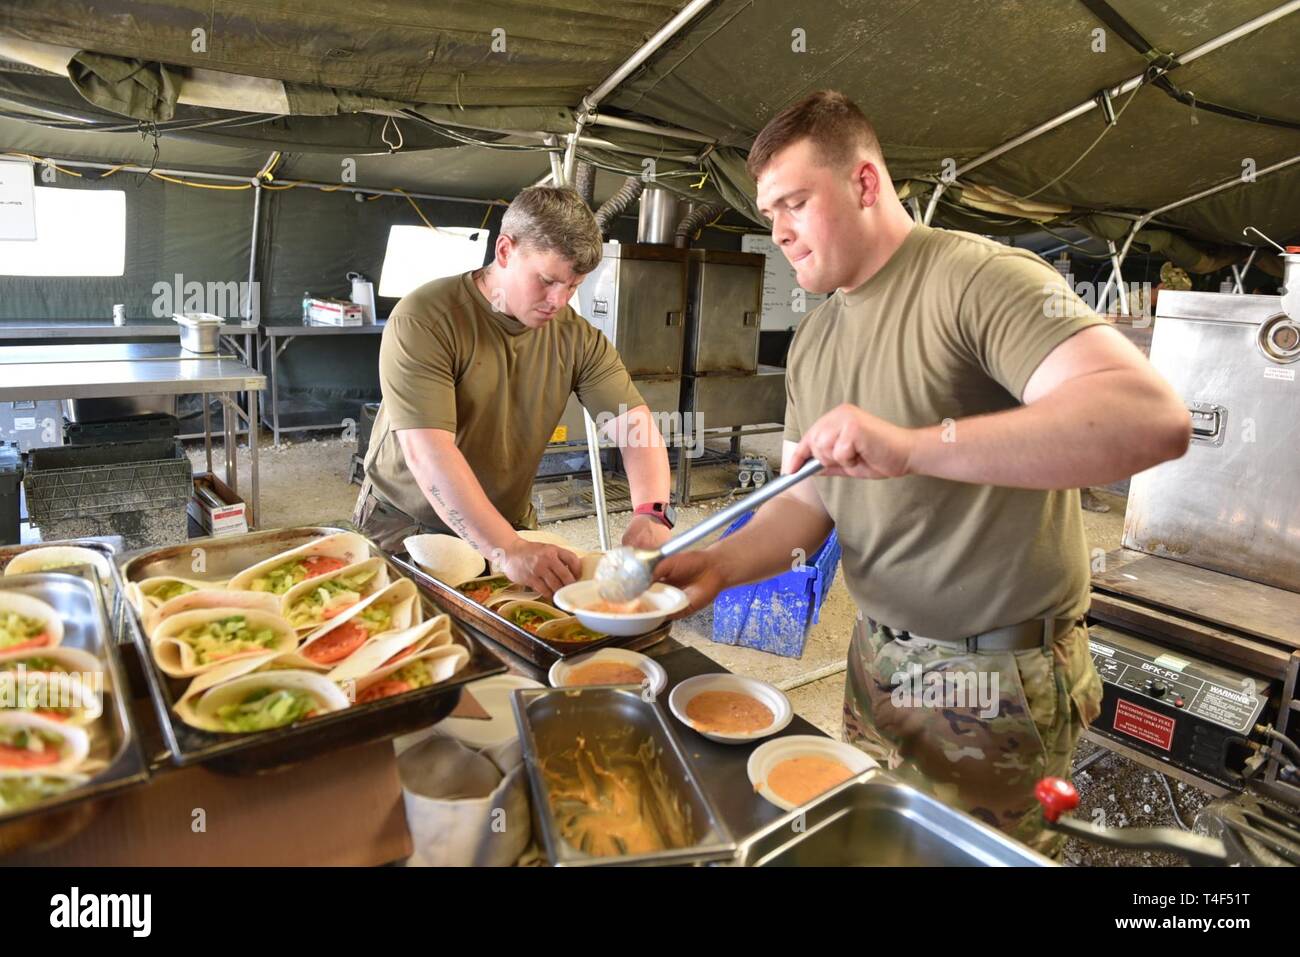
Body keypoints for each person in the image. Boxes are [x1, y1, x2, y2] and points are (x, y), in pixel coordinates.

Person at [656, 91, 1190, 855]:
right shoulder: (816, 337)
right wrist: (717, 562)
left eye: (796, 203)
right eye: (770, 210)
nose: (777, 231)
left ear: (866, 184)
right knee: (865, 850)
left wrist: (912, 445)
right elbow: (804, 501)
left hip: (996, 676)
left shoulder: (980, 279)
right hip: (874, 661)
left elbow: (1147, 418)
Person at [354, 187, 675, 595]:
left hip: (507, 526)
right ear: (505, 251)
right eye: (547, 281)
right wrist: (506, 549)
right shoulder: (426, 319)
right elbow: (428, 451)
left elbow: (635, 427)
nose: (559, 300)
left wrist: (652, 513)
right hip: (406, 524)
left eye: (573, 286)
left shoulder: (576, 338)